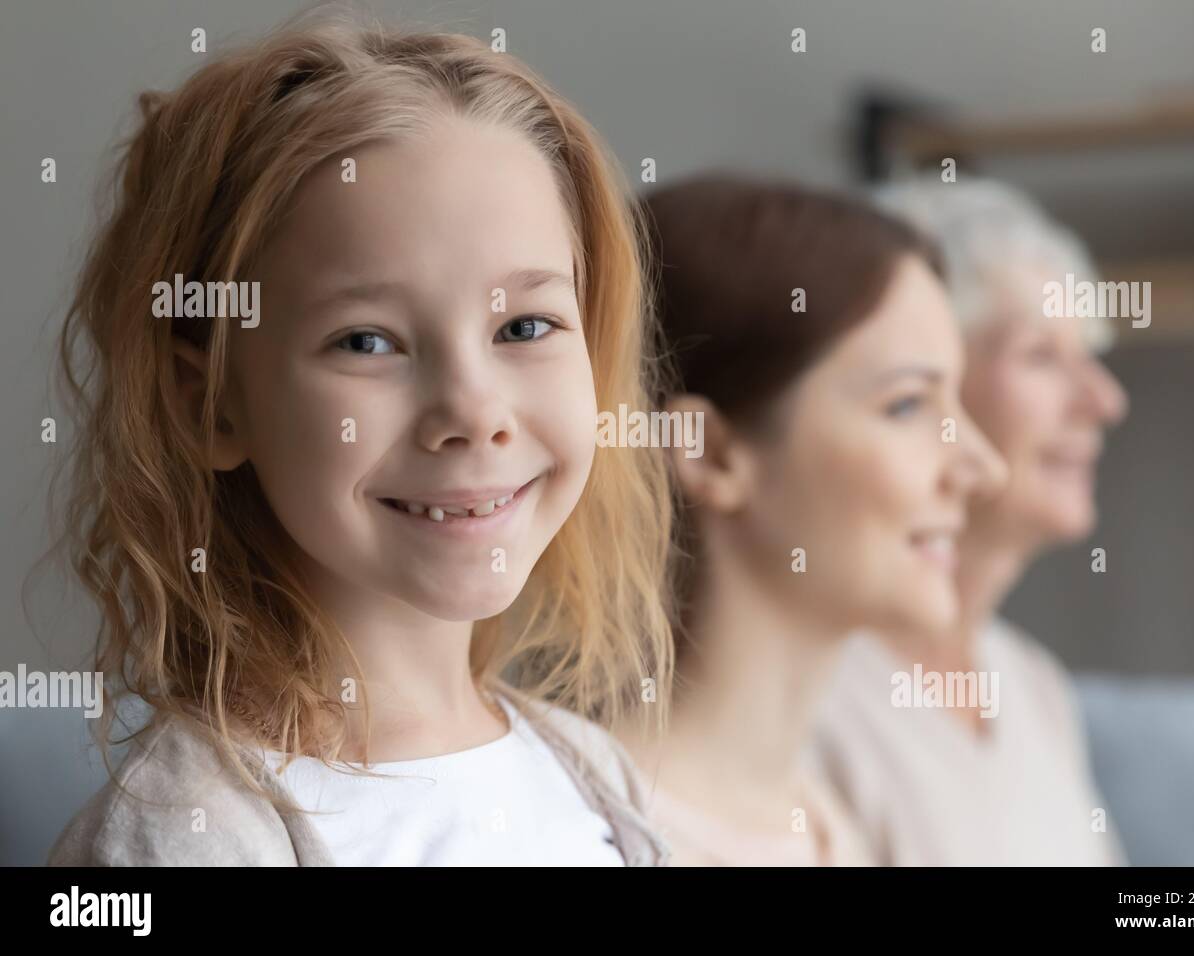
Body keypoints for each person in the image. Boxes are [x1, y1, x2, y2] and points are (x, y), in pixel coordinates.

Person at [46, 9, 676, 866]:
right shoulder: (186, 831)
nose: (473, 411)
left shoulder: (593, 774)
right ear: (208, 406)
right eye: (367, 341)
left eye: (525, 326)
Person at [615, 174, 1006, 865]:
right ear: (707, 454)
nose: (982, 467)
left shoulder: (829, 823)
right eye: (909, 406)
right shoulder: (580, 828)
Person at [810, 178, 1130, 866]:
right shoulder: (810, 700)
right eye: (1041, 356)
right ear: (928, 380)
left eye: (1090, 358)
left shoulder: (1032, 684)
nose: (1104, 401)